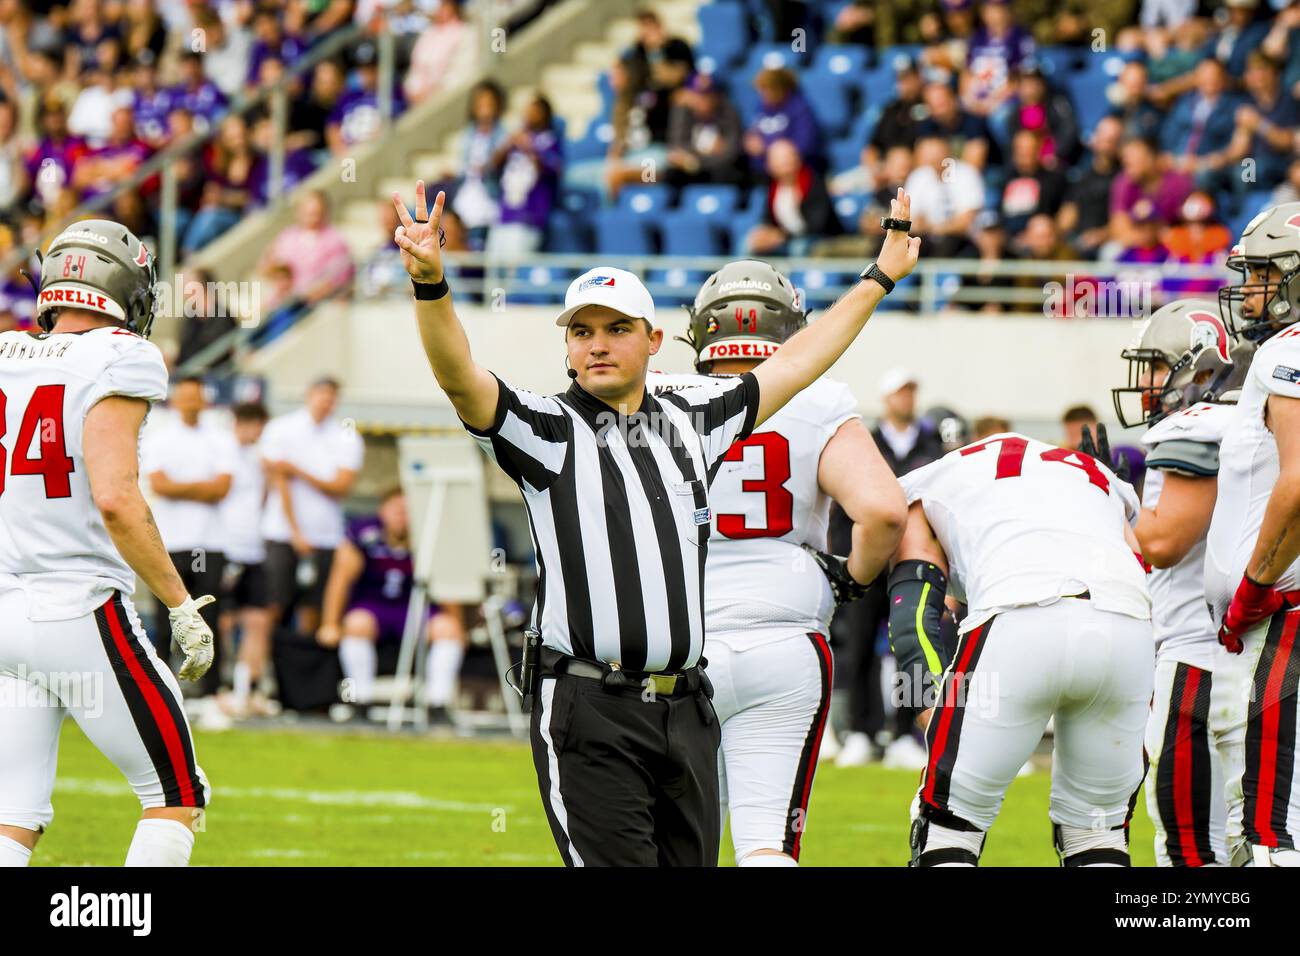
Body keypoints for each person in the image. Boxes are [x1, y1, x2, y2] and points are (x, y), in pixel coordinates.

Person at [389, 178, 921, 866]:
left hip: (686, 702)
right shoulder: (547, 429)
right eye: (581, 332)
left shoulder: (693, 422)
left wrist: (880, 277)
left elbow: (797, 362)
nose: (596, 345)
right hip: (590, 699)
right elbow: (460, 376)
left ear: (654, 341)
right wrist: (431, 286)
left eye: (615, 329)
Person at [648, 262, 907, 866]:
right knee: (767, 845)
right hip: (785, 641)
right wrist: (850, 577)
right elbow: (884, 513)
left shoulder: (653, 398)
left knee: (680, 847)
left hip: (677, 645)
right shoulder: (817, 399)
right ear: (793, 326)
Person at [0, 220, 213, 867]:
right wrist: (179, 604)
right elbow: (117, 498)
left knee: (12, 816)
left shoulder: (7, 351)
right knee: (175, 794)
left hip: (6, 614)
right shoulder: (121, 354)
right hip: (81, 610)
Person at [894, 429, 1152, 865]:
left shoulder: (926, 485)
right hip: (1126, 624)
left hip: (1019, 615)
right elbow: (1138, 559)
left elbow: (911, 622)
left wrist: (932, 715)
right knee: (1096, 834)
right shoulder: (1093, 475)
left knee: (947, 826)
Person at [1107, 299, 1254, 866]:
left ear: (1199, 370)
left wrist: (1113, 509)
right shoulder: (1249, 425)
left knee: (1189, 847)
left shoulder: (1201, 426)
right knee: (1261, 836)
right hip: (1252, 659)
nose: (1144, 383)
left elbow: (1162, 544)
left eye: (1154, 366)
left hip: (1198, 657)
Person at [1204, 201, 1300, 866]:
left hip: (1284, 624)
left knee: (1268, 837)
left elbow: (1298, 482)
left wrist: (1254, 586)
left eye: (1265, 271)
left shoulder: (1287, 354)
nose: (1251, 286)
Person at [832, 367, 945, 769]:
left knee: (909, 649)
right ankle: (861, 732)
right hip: (866, 559)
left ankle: (903, 733)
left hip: (912, 562)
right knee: (858, 648)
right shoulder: (865, 442)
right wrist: (844, 559)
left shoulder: (933, 443)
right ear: (886, 398)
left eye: (911, 392)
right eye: (900, 392)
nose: (907, 399)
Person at [316, 488, 467, 724]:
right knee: (356, 624)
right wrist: (330, 623)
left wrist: (457, 623)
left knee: (448, 629)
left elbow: (444, 583)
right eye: (396, 510)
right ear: (382, 510)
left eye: (407, 511)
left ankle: (438, 703)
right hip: (373, 607)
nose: (401, 516)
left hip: (414, 609)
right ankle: (360, 700)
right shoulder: (362, 535)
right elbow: (340, 581)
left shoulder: (428, 536)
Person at [140, 375, 237, 695]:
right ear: (176, 400)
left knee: (209, 614)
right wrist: (201, 487)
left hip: (208, 543)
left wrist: (181, 488)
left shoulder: (220, 438)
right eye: (185, 396)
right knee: (166, 613)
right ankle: (164, 687)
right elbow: (159, 484)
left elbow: (221, 488)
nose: (191, 402)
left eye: (196, 396)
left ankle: (209, 689)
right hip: (169, 542)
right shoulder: (160, 437)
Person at [261, 377, 364, 637]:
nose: (326, 402)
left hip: (325, 534)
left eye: (331, 397)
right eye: (322, 395)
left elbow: (341, 485)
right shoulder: (281, 428)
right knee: (275, 603)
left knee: (314, 606)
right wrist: (295, 531)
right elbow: (278, 479)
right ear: (309, 395)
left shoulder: (345, 434)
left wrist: (297, 470)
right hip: (282, 532)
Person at [220, 401, 274, 717]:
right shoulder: (220, 452)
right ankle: (219, 686)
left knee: (258, 620)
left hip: (254, 548)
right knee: (223, 620)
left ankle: (245, 688)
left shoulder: (258, 459)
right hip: (226, 546)